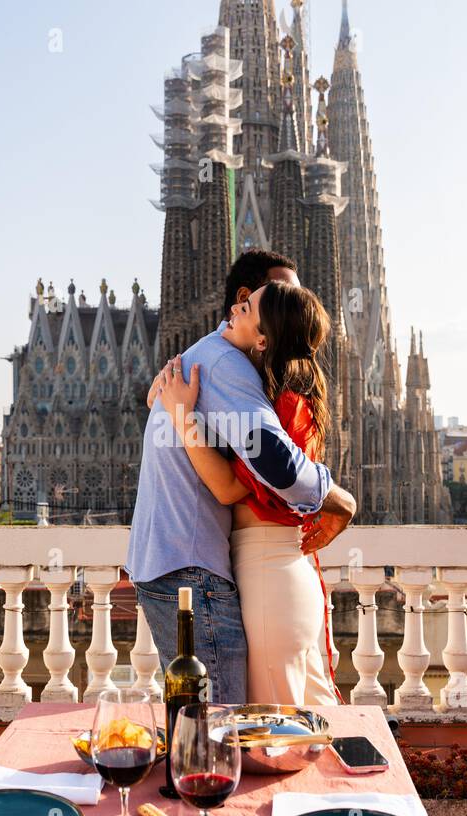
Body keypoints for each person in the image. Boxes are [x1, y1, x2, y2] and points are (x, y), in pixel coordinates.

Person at [125, 250, 357, 704]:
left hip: (184, 563)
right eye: (246, 302)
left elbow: (242, 477)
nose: (234, 308)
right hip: (193, 567)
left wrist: (180, 415)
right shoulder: (225, 366)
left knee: (215, 722)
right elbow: (276, 466)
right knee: (220, 726)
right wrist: (340, 500)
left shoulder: (212, 359)